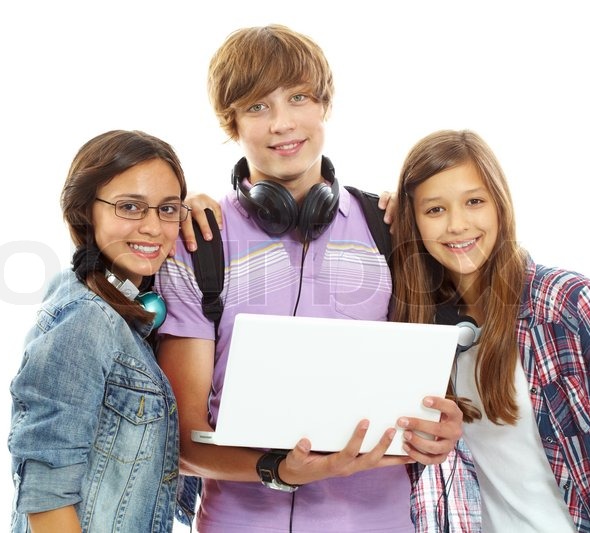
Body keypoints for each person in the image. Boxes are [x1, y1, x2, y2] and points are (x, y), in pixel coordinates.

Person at [155, 25, 465, 532]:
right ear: (230, 123)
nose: (283, 123)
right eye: (258, 107)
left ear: (324, 106)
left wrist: (442, 429)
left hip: (376, 521)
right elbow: (183, 441)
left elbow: (432, 380)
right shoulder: (199, 243)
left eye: (299, 98)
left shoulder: (391, 227)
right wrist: (276, 470)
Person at [390, 129, 590, 532]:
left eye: (474, 202)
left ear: (500, 204)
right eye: (435, 210)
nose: (457, 224)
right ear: (413, 221)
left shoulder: (568, 303)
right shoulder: (422, 328)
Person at [7, 129, 189, 533]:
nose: (153, 228)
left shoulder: (132, 312)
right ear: (87, 212)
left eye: (168, 209)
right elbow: (46, 497)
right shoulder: (85, 319)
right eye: (130, 207)